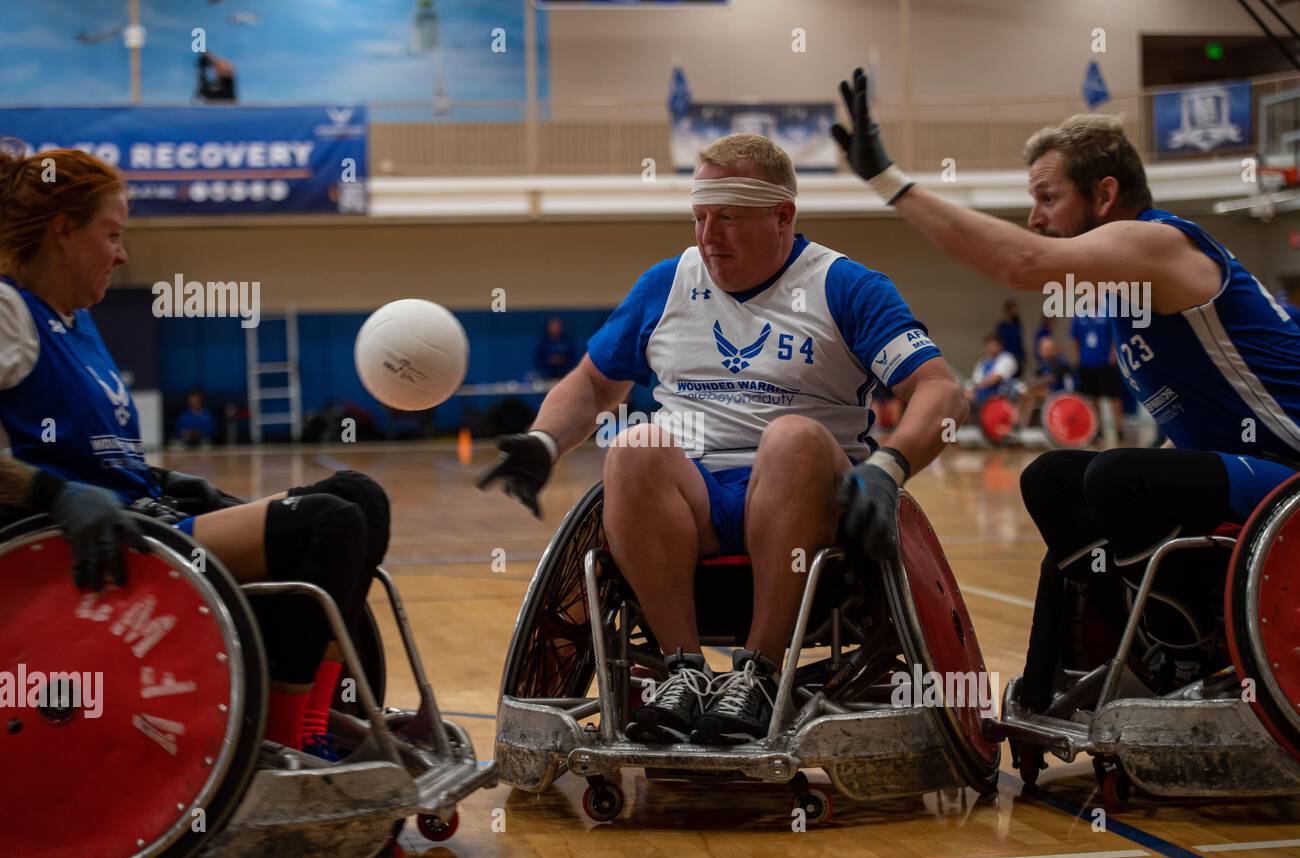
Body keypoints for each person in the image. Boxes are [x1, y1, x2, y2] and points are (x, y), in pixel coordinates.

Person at [832, 69, 1300, 712]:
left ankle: (1192, 647)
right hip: (1249, 471)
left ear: (1104, 193)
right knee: (1050, 476)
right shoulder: (1119, 286)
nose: (1034, 217)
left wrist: (889, 181)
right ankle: (1127, 658)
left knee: (1114, 476)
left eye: (1047, 198)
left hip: (1290, 478)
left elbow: (1017, 262)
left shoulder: (1158, 243)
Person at [479, 132, 967, 746]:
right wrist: (545, 440)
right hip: (694, 502)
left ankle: (758, 674)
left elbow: (943, 392)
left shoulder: (845, 285)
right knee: (635, 444)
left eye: (730, 218)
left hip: (810, 504)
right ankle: (683, 670)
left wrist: (890, 467)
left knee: (790, 437)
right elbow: (592, 384)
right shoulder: (668, 283)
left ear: (782, 215)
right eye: (701, 217)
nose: (710, 236)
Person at [0, 144, 387, 758]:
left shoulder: (78, 320)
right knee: (328, 524)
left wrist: (172, 480)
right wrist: (58, 494)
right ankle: (282, 746)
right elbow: (63, 470)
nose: (122, 253)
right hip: (90, 548)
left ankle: (314, 727)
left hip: (144, 520)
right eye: (113, 234)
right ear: (63, 230)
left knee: (360, 495)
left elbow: (93, 454)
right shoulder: (9, 311)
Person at [1069, 296, 1123, 444]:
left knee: (1113, 397)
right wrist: (1077, 358)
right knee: (1093, 398)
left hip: (1105, 363)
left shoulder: (1109, 314)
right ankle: (1097, 429)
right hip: (1087, 363)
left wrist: (1113, 353)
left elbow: (1116, 336)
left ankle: (1119, 429)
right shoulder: (1079, 316)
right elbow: (1075, 339)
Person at [1015, 336, 1074, 429]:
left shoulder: (1060, 362)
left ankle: (1022, 424)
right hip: (1047, 393)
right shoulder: (1044, 364)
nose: (1043, 352)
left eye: (1047, 349)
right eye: (1042, 349)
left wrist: (1033, 383)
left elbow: (1050, 379)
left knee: (1031, 394)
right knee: (1024, 394)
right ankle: (1018, 423)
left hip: (1062, 394)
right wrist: (1027, 383)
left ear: (1054, 349)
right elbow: (1034, 377)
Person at [967, 332, 1018, 405]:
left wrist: (976, 388)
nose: (990, 348)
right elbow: (975, 380)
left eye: (993, 345)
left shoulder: (1006, 358)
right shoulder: (982, 362)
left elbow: (995, 379)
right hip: (981, 396)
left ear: (1000, 346)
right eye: (988, 345)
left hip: (999, 396)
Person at [995, 298, 1026, 371]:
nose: (1016, 311)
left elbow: (1020, 341)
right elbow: (998, 341)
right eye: (1014, 309)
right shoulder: (1002, 326)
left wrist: (1023, 356)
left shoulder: (1017, 324)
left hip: (1017, 355)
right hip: (1005, 355)